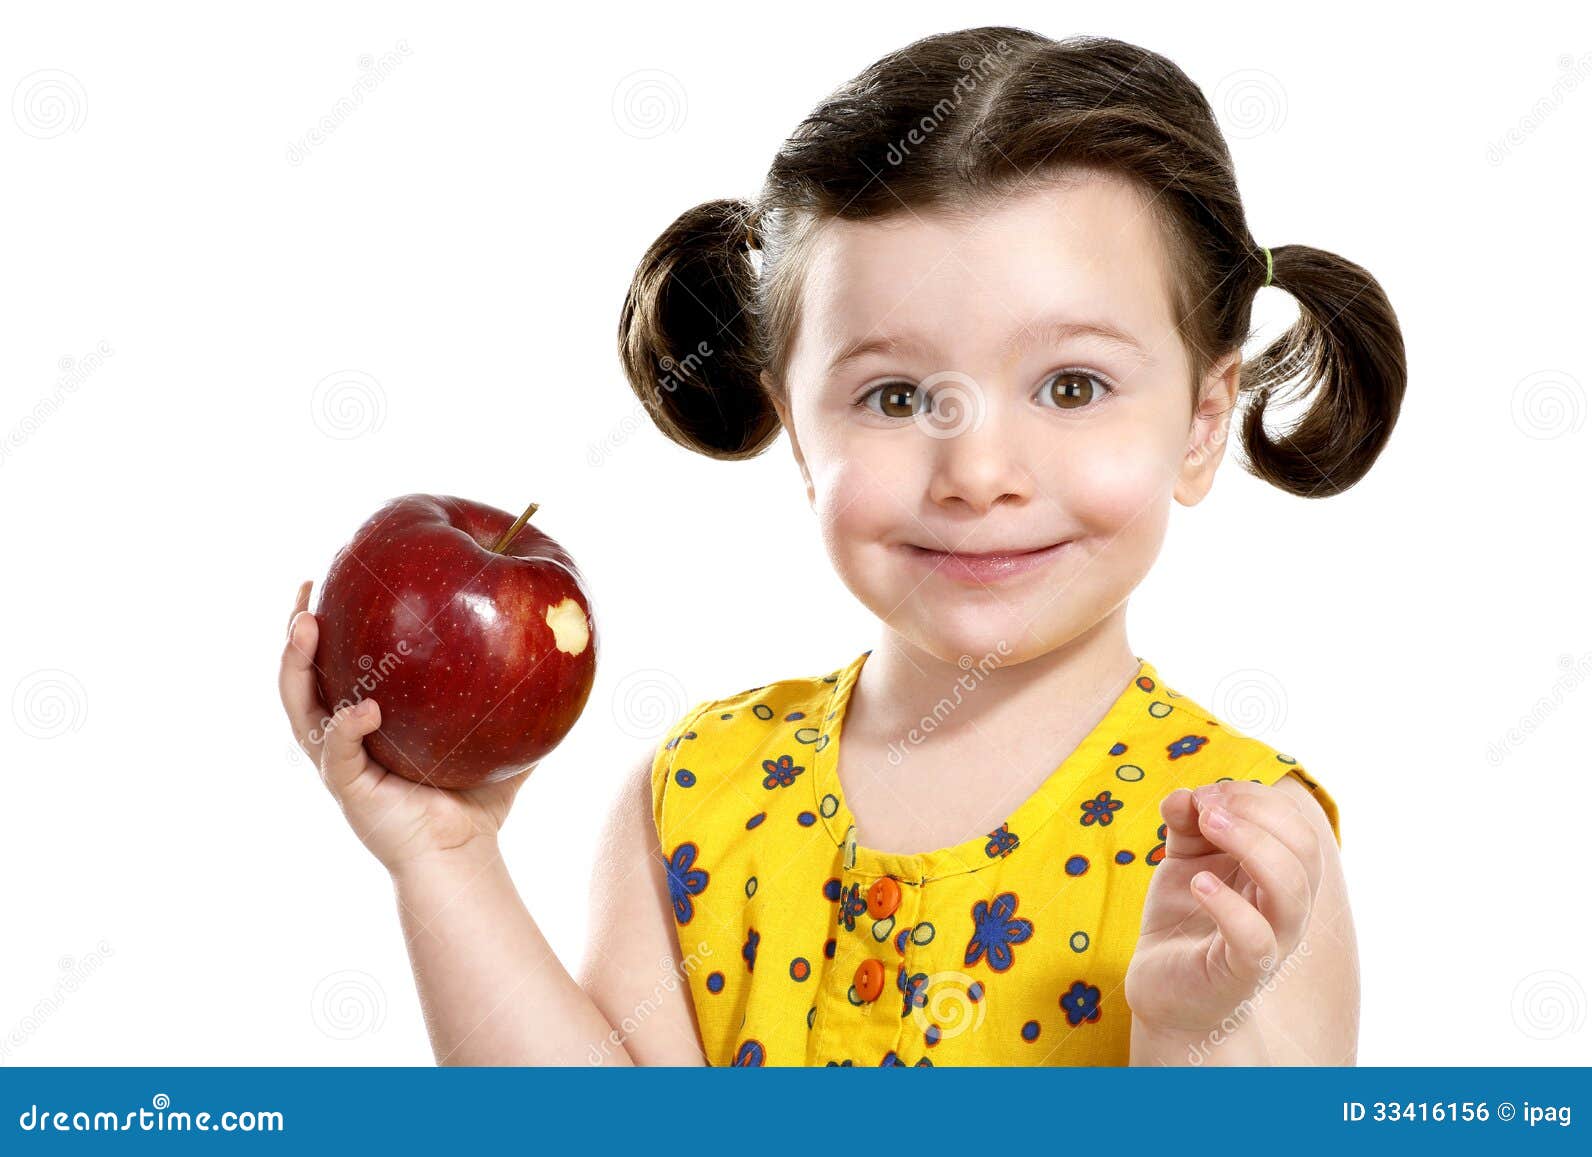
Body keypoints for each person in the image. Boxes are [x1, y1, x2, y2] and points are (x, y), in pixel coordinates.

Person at [279, 26, 1404, 1066]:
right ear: (795, 425)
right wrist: (446, 858)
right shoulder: (697, 801)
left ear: (1204, 420)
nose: (976, 472)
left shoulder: (1237, 849)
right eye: (896, 393)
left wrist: (1193, 1032)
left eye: (1071, 385)